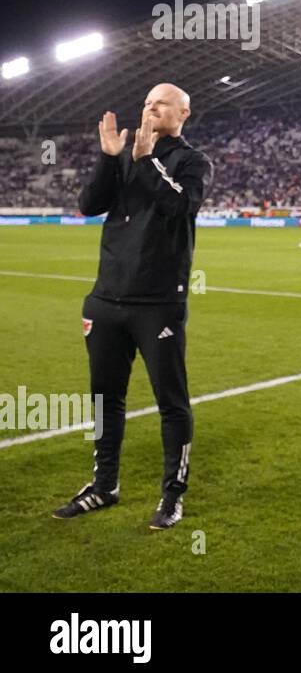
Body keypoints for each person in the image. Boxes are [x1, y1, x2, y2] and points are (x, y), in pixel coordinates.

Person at [52, 83, 214, 529]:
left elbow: (179, 206)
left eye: (159, 103)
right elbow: (89, 205)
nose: (150, 109)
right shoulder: (123, 154)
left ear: (183, 111)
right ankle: (104, 486)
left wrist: (145, 161)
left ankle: (172, 495)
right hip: (106, 299)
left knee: (171, 402)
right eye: (145, 103)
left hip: (157, 304)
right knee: (105, 399)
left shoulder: (193, 162)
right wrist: (109, 158)